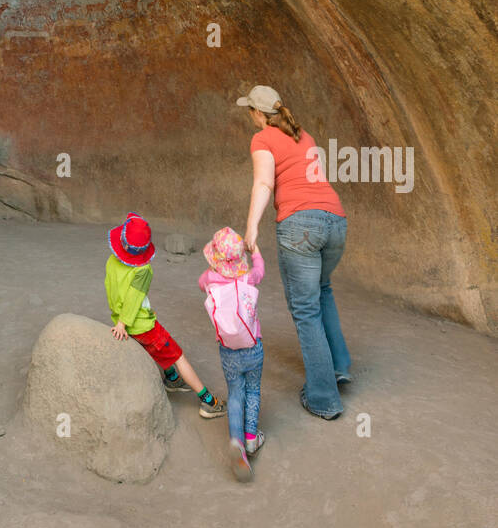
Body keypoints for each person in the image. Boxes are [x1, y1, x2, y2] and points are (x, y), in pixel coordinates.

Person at [238, 85, 350, 419]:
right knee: (322, 289)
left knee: (305, 310)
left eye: (250, 112)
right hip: (335, 222)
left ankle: (323, 399)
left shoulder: (263, 139)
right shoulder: (305, 135)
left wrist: (252, 227)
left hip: (300, 226)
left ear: (258, 114)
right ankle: (340, 365)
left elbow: (264, 183)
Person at [106, 213, 226, 418]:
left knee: (159, 348)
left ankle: (171, 378)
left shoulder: (112, 261)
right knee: (179, 356)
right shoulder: (143, 270)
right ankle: (208, 401)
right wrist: (124, 323)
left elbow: (112, 289)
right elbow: (134, 299)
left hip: (122, 320)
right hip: (140, 325)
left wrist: (119, 321)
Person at [199, 228, 265, 481]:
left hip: (228, 350)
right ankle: (251, 438)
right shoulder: (248, 278)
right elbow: (260, 270)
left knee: (236, 392)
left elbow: (201, 283)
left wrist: (214, 275)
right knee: (253, 390)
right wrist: (256, 252)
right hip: (253, 346)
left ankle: (236, 440)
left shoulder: (210, 278)